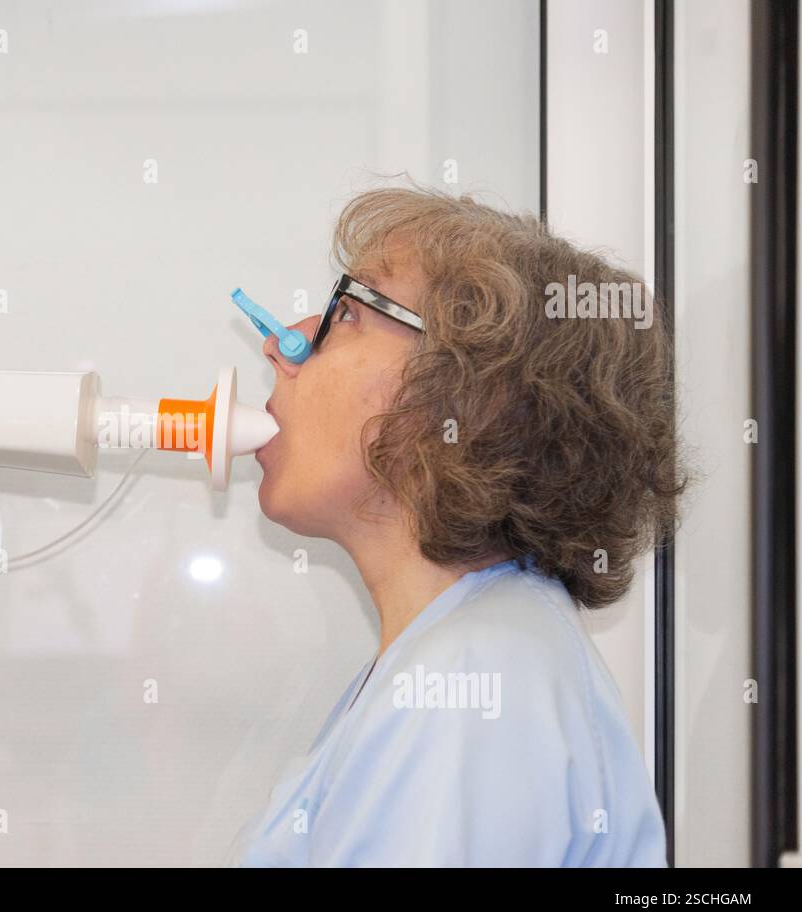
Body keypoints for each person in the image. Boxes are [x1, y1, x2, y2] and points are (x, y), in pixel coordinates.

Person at [230, 186, 685, 867]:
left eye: (348, 312)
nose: (281, 344)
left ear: (475, 392)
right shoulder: (467, 657)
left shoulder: (471, 688)